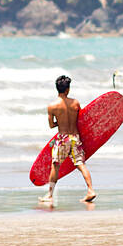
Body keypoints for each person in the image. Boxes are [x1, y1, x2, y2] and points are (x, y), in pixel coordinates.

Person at [40, 74, 97, 205]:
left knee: (55, 165)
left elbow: (51, 125)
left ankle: (49, 195)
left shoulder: (52, 106)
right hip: (75, 137)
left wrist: (60, 122)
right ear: (68, 89)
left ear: (57, 89)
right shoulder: (75, 103)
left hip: (62, 139)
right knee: (80, 164)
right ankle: (90, 190)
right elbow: (82, 120)